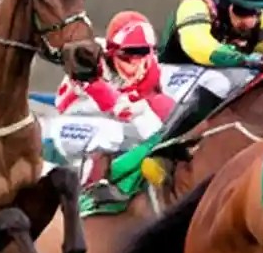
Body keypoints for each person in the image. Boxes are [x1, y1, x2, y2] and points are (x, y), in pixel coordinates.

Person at [143, 0, 263, 180]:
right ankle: (162, 151)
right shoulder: (196, 4)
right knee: (221, 81)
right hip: (174, 71)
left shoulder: (258, 22)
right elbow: (198, 46)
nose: (250, 20)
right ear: (226, 3)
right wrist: (242, 59)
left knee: (258, 76)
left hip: (211, 75)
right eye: (242, 11)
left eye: (256, 12)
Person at [53, 11, 173, 204]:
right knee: (111, 133)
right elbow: (118, 107)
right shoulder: (88, 62)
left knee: (155, 133)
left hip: (110, 121)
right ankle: (88, 190)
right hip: (70, 126)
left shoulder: (153, 68)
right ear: (111, 52)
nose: (137, 63)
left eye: (143, 52)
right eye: (128, 55)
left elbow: (148, 118)